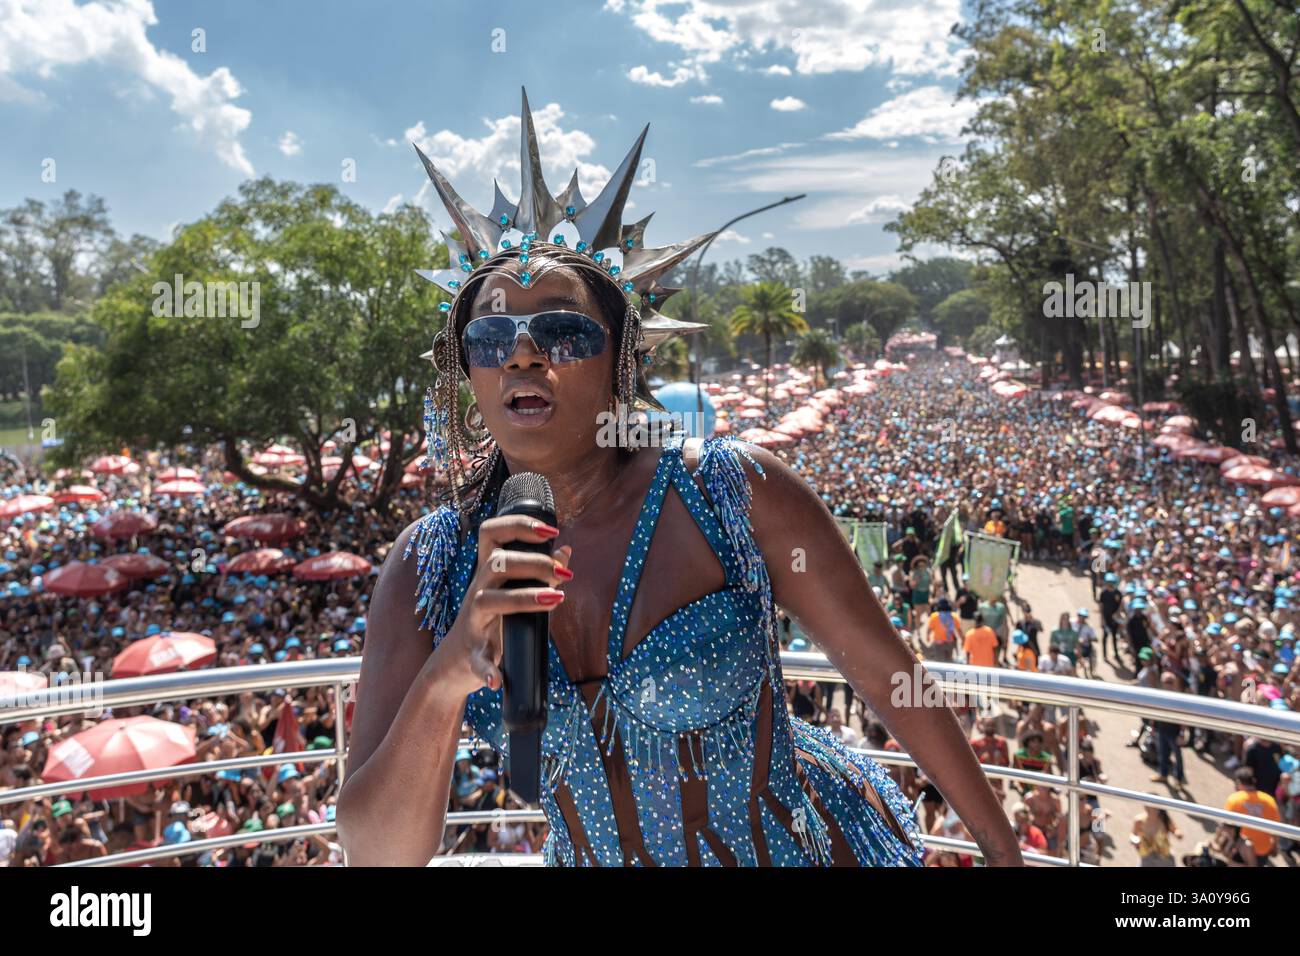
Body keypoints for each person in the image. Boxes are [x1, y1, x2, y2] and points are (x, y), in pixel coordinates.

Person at [336, 95, 1022, 869]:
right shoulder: (428, 569)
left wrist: (1003, 850)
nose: (524, 354)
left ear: (622, 360)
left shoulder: (732, 494)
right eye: (491, 336)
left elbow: (887, 675)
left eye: (563, 330)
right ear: (467, 372)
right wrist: (447, 674)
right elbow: (373, 854)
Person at [1225, 768, 1282, 864]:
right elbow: (1276, 829)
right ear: (1253, 781)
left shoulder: (1234, 799)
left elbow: (1228, 828)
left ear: (1239, 782)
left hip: (1240, 850)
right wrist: (1275, 846)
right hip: (1263, 848)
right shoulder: (1269, 800)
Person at [925, 597, 963, 663]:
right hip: (950, 642)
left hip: (938, 643)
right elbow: (959, 630)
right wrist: (962, 639)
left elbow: (929, 629)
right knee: (948, 661)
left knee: (939, 662)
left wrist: (927, 636)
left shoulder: (934, 616)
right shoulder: (954, 616)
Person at [1074, 608, 1096, 678]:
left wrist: (1086, 639)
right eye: (1080, 615)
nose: (1082, 618)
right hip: (1073, 645)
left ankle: (1088, 669)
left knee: (1091, 653)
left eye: (1084, 616)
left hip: (1085, 647)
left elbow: (1095, 638)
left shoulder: (1089, 628)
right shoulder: (1072, 623)